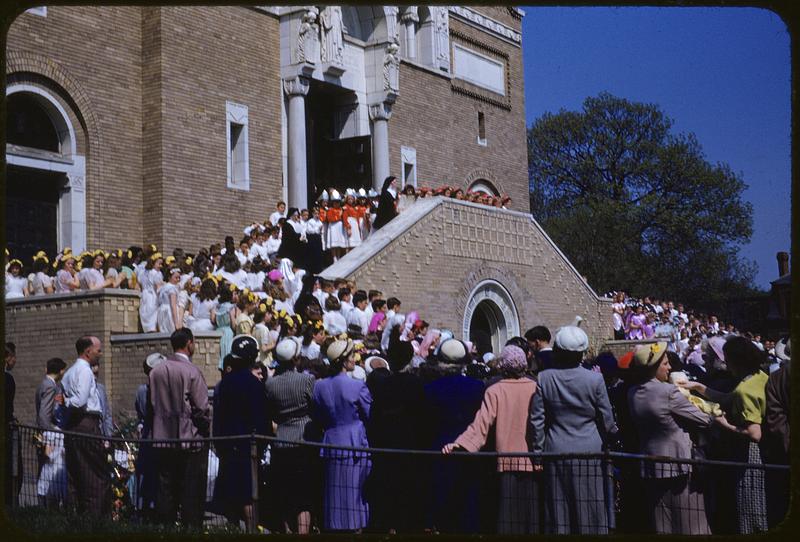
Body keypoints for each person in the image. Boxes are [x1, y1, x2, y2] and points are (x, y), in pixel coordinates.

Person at [443, 345, 543, 534]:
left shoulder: (495, 390)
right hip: (533, 461)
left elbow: (481, 425)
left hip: (505, 461)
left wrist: (459, 443)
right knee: (532, 518)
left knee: (507, 518)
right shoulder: (536, 387)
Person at [531, 321, 617, 534]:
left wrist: (537, 454)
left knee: (559, 506)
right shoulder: (595, 379)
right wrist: (612, 438)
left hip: (556, 448)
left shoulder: (544, 378)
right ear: (582, 352)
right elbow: (607, 418)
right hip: (590, 448)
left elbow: (537, 421)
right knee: (591, 504)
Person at [679, 336, 770, 534]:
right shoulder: (758, 377)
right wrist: (697, 387)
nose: (725, 363)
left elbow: (754, 434)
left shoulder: (744, 390)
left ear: (736, 360)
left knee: (749, 506)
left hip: (750, 455)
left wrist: (723, 424)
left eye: (728, 359)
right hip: (765, 454)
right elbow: (728, 398)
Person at [627, 342, 713, 534]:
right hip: (678, 464)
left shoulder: (632, 392)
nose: (670, 367)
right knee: (691, 521)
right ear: (654, 368)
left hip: (651, 464)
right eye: (665, 364)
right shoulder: (668, 392)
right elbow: (703, 420)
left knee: (662, 521)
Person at [148, 328, 211, 531]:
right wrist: (206, 429)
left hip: (161, 437)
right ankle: (191, 529)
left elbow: (151, 405)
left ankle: (165, 528)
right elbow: (201, 408)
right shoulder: (192, 371)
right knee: (190, 488)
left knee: (165, 486)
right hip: (189, 439)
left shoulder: (156, 371)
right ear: (189, 343)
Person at [422, 339, 485, 534]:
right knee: (467, 502)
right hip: (468, 450)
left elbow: (426, 423)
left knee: (441, 501)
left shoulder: (430, 389)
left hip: (439, 449)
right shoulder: (477, 387)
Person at [312, 339, 372, 532]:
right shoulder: (357, 386)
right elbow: (369, 413)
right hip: (354, 444)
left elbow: (318, 415)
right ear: (344, 361)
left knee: (335, 494)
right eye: (351, 356)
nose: (354, 358)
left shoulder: (319, 387)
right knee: (355, 493)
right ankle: (355, 529)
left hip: (331, 442)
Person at [212, 335, 270, 533]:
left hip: (228, 446)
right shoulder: (255, 385)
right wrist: (262, 445)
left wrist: (219, 444)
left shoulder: (225, 384)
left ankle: (232, 529)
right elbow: (261, 418)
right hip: (249, 447)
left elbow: (218, 417)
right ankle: (252, 531)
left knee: (230, 492)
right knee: (248, 494)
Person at [265, 337, 318, 534]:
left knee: (285, 491)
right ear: (295, 359)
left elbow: (270, 411)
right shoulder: (307, 380)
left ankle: (286, 530)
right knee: (303, 494)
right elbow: (315, 406)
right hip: (303, 439)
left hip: (281, 439)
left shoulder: (271, 384)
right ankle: (303, 533)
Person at [60, 336, 112, 518]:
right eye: (98, 350)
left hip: (73, 425)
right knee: (97, 475)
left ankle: (77, 516)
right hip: (86, 423)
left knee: (76, 474)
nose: (100, 354)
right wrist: (67, 402)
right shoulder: (85, 371)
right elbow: (81, 400)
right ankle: (95, 519)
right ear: (88, 351)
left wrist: (65, 401)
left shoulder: (69, 373)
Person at [134, 352, 165, 519]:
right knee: (153, 473)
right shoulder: (151, 391)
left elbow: (140, 414)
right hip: (156, 436)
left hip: (148, 435)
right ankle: (150, 508)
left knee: (148, 473)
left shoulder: (142, 390)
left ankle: (145, 507)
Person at [35, 357, 67, 508]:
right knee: (50, 470)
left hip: (47, 433)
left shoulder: (43, 384)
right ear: (61, 371)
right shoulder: (50, 386)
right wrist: (47, 436)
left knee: (46, 470)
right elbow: (44, 413)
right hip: (50, 435)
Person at [138, 253, 164, 332]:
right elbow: (158, 288)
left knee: (146, 316)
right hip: (152, 298)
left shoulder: (143, 272)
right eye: (159, 263)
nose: (161, 266)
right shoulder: (156, 274)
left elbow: (139, 284)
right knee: (153, 319)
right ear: (153, 263)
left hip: (144, 297)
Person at [157, 267, 182, 333]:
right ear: (169, 277)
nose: (178, 280)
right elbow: (173, 305)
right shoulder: (172, 288)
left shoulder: (163, 287)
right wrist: (177, 323)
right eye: (176, 278)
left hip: (162, 311)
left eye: (179, 278)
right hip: (169, 312)